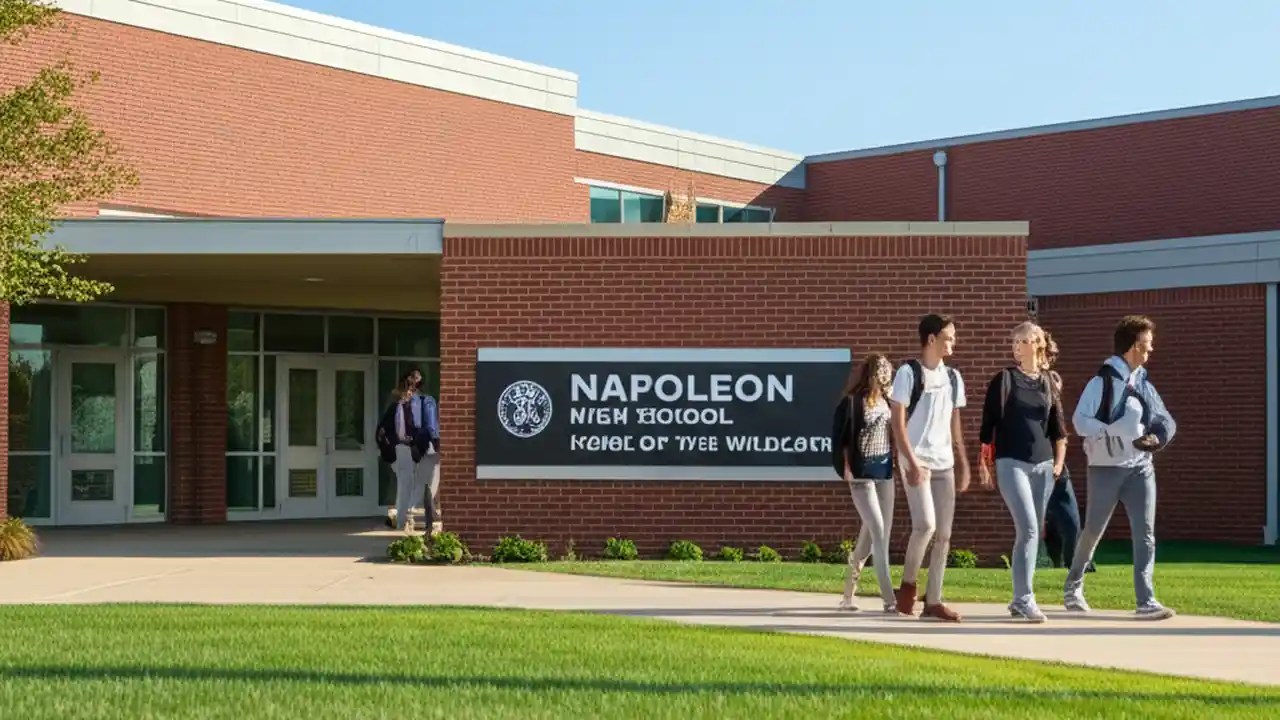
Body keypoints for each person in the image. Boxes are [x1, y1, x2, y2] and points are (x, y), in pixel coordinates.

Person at [1065, 315, 1178, 620]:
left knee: (1145, 533)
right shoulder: (1100, 382)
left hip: (1141, 467)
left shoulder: (1144, 383)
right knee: (1093, 531)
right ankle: (1073, 586)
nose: (1150, 350)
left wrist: (1157, 438)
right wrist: (1111, 431)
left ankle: (1146, 600)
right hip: (1106, 467)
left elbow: (1165, 419)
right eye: (1145, 345)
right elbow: (1079, 422)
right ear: (1130, 346)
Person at [978, 322, 1066, 623]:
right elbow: (987, 426)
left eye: (1023, 340)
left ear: (1037, 344)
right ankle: (1027, 599)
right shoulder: (1004, 379)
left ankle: (1018, 599)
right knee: (1028, 528)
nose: (1017, 346)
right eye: (1014, 342)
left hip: (1043, 465)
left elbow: (1058, 429)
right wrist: (984, 465)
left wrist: (1057, 464)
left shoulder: (1048, 382)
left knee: (1030, 533)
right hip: (1010, 462)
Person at [890, 314, 970, 622]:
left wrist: (961, 461)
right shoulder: (908, 373)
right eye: (948, 337)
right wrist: (910, 461)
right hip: (916, 457)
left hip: (944, 462)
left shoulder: (953, 377)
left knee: (945, 534)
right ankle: (908, 587)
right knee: (925, 525)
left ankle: (934, 600)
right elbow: (897, 421)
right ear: (931, 339)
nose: (953, 342)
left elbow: (954, 422)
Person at [834, 353, 904, 614]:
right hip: (861, 475)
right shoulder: (852, 403)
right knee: (879, 532)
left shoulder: (888, 402)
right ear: (871, 374)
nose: (886, 377)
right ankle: (890, 598)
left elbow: (895, 432)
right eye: (882, 372)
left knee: (870, 534)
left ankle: (848, 594)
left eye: (889, 372)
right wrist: (847, 470)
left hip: (884, 472)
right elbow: (839, 439)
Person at [1039, 332, 1094, 573]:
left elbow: (1058, 424)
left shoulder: (1052, 379)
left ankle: (1077, 564)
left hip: (1056, 461)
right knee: (1036, 523)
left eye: (1051, 356)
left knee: (1070, 518)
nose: (1048, 360)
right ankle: (1045, 560)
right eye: (1046, 355)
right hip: (1032, 460)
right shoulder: (1022, 382)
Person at [388, 371, 426, 534]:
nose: (412, 391)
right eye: (411, 384)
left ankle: (409, 518)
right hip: (402, 446)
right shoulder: (398, 403)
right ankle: (403, 520)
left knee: (416, 483)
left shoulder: (418, 402)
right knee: (405, 484)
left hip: (414, 445)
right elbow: (393, 426)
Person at [406, 368, 442, 529]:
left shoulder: (402, 400)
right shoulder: (427, 400)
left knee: (414, 478)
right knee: (430, 477)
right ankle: (413, 511)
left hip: (407, 443)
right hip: (425, 443)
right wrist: (436, 441)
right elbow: (430, 424)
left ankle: (429, 510)